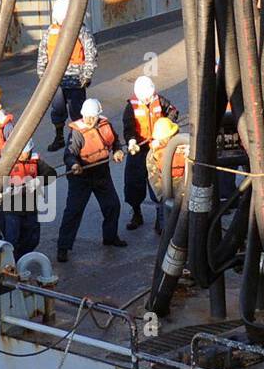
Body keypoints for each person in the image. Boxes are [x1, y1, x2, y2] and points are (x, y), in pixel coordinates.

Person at [56, 98, 127, 262]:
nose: (89, 120)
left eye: (92, 117)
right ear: (82, 115)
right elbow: (69, 154)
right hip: (81, 176)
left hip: (101, 172)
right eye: (87, 117)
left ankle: (110, 237)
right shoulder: (77, 133)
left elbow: (115, 141)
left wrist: (118, 151)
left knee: (112, 205)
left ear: (98, 116)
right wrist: (74, 165)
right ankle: (63, 247)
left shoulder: (105, 125)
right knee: (73, 211)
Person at [39, 0, 98, 152]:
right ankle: (59, 137)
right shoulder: (49, 32)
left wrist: (86, 76)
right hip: (55, 82)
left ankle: (79, 141)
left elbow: (90, 54)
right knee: (57, 110)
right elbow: (43, 55)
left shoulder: (81, 31)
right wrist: (42, 77)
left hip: (76, 81)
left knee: (77, 113)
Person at [122, 75, 180, 231]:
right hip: (139, 150)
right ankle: (136, 213)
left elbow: (173, 112)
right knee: (133, 183)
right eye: (145, 98)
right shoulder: (131, 107)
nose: (148, 100)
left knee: (159, 184)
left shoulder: (159, 100)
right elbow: (128, 127)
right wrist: (132, 141)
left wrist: (163, 130)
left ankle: (159, 218)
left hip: (158, 148)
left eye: (149, 97)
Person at [1, 143, 56, 259]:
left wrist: (38, 181)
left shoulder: (35, 161)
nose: (21, 155)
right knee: (12, 240)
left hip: (30, 207)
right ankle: (10, 263)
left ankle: (21, 259)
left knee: (32, 239)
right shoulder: (6, 162)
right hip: (12, 208)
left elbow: (51, 174)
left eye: (24, 152)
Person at [146, 116, 188, 226]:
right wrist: (161, 195)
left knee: (183, 218)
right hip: (166, 189)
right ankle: (163, 231)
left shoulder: (184, 145)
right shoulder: (153, 154)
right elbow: (153, 176)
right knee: (165, 217)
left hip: (183, 188)